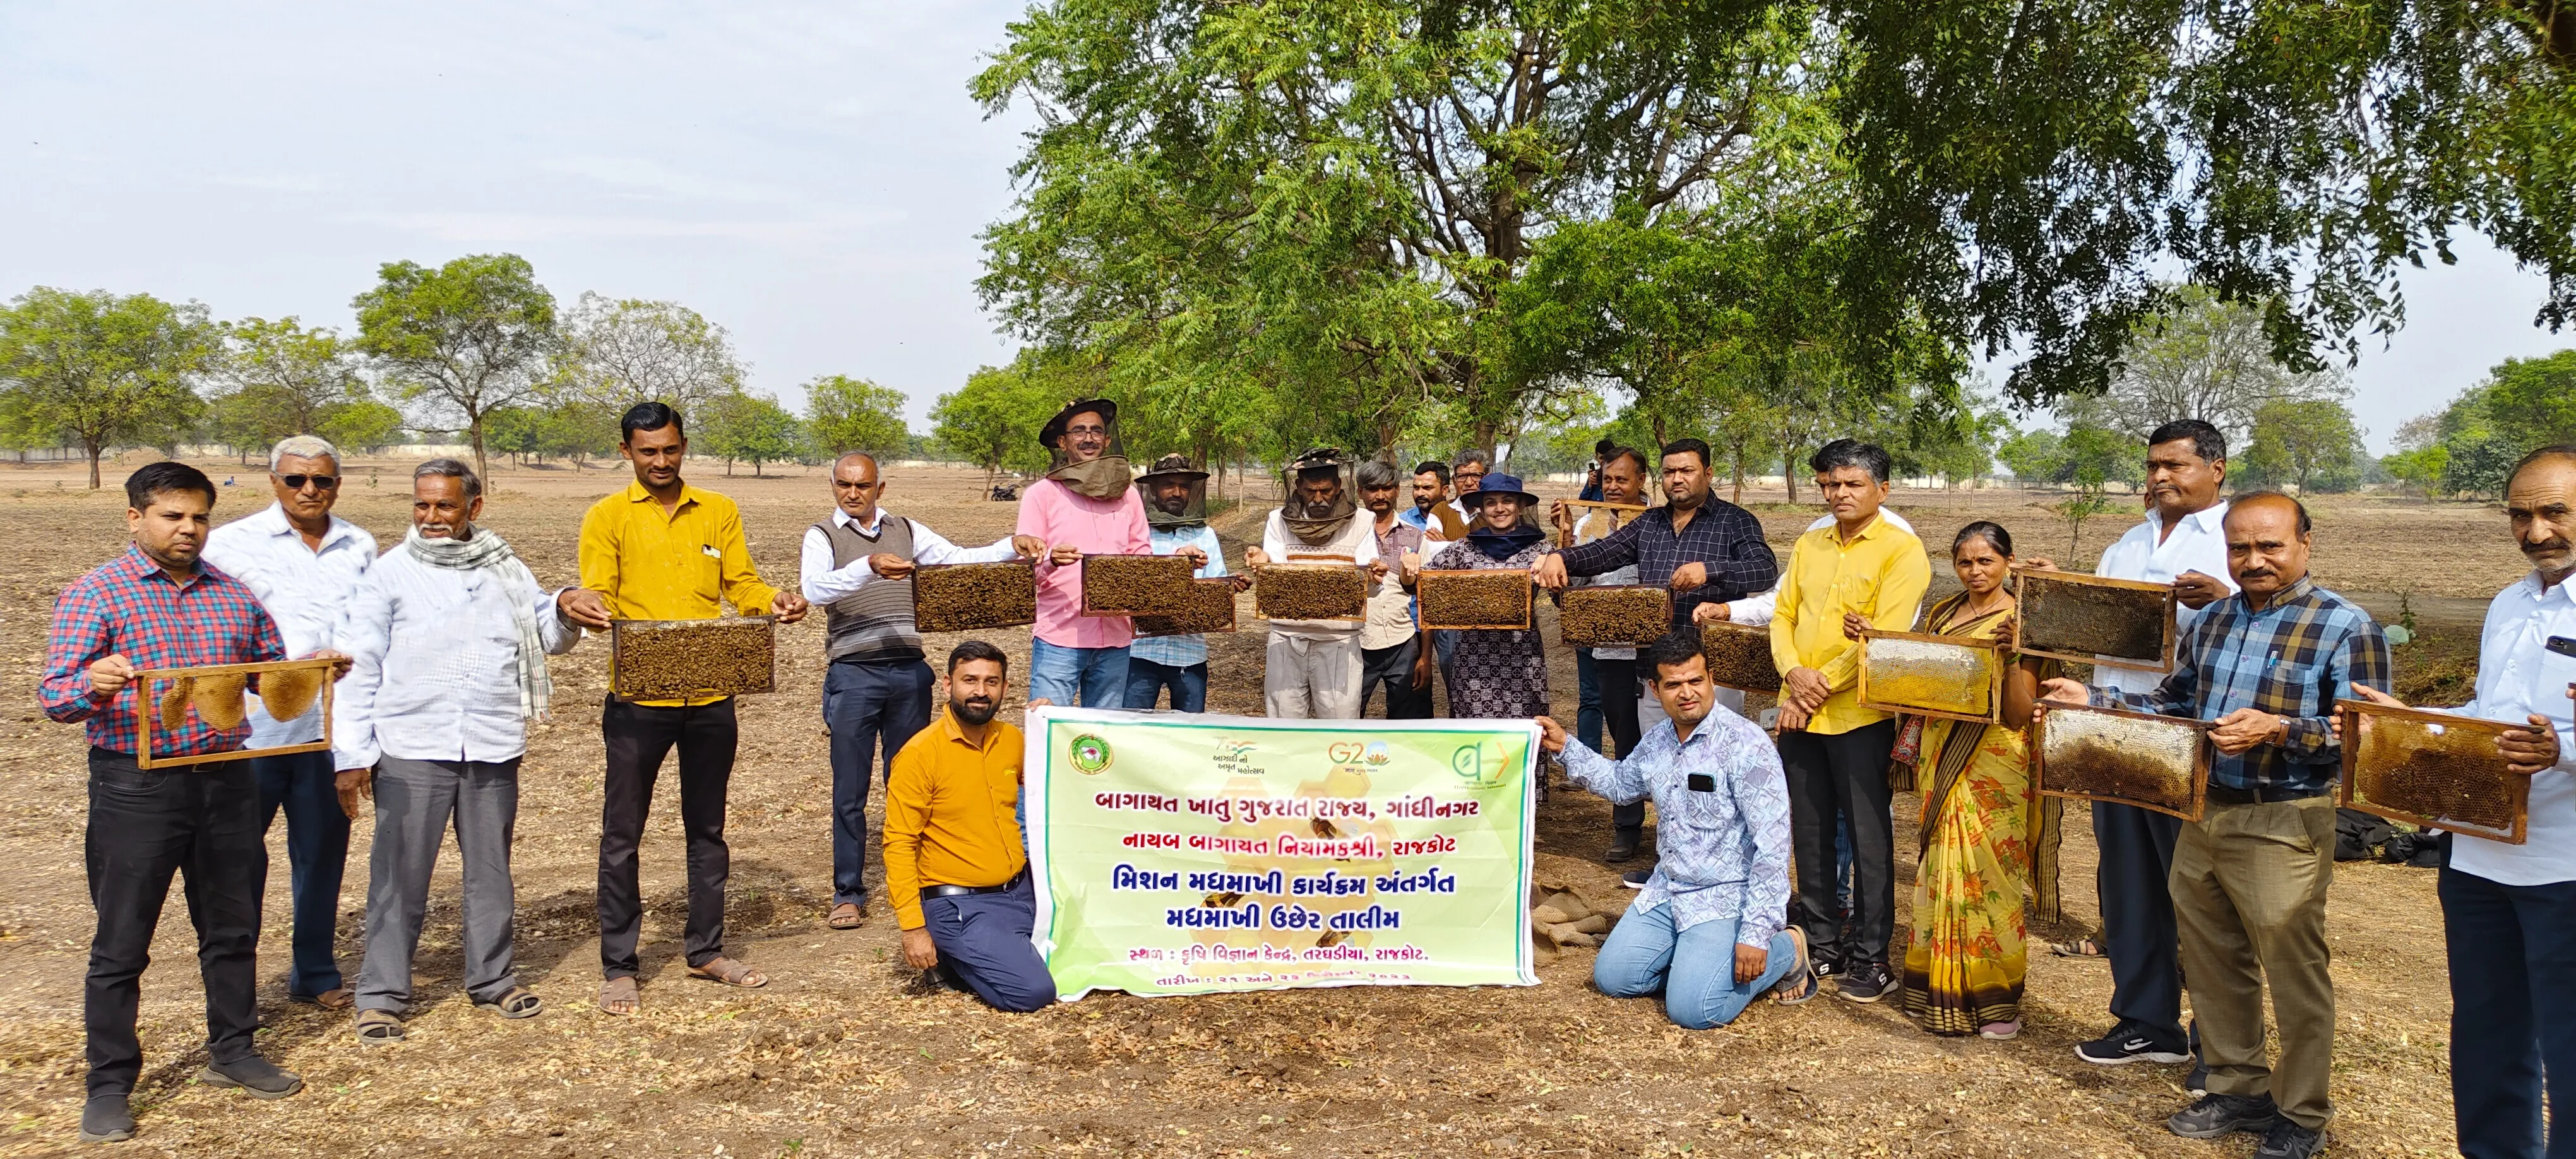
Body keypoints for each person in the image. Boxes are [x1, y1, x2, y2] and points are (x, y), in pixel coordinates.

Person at [2039, 491, 2390, 1159]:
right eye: (2240, 548)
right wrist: (2097, 699)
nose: (2253, 560)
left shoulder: (2345, 627)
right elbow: (2173, 704)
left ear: (2305, 545)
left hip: (2284, 817)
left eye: (2270, 546)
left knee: (2293, 970)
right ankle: (2237, 1088)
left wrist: (2281, 729)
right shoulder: (2215, 622)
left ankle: (2303, 1113)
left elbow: (2365, 739)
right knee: (2213, 959)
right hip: (2205, 811)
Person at [41, 463, 310, 1143]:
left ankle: (234, 1051)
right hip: (137, 786)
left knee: (232, 927)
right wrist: (94, 680)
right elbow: (56, 698)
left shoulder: (232, 596)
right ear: (136, 518)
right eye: (172, 516)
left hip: (225, 780)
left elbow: (266, 671)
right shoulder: (96, 594)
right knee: (122, 942)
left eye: (198, 517)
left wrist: (310, 674)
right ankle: (108, 1085)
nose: (188, 529)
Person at [2346, 444, 2573, 1159]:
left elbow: (2551, 737)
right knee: (2487, 1037)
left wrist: (2563, 751)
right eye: (2520, 514)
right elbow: (2487, 711)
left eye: (2555, 512)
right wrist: (2412, 723)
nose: (2536, 531)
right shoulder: (2508, 603)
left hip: (2565, 869)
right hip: (2477, 860)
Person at [557, 402, 811, 1015]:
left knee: (708, 828)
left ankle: (706, 950)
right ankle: (619, 967)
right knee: (623, 835)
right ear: (627, 452)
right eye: (648, 452)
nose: (662, 462)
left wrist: (770, 600)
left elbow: (741, 584)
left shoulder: (719, 511)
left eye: (671, 450)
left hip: (711, 693)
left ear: (684, 445)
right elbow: (602, 591)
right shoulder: (607, 516)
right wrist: (587, 603)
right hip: (639, 697)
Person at [331, 459, 583, 1043]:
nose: (431, 517)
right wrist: (353, 752)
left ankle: (493, 980)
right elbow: (360, 664)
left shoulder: (505, 567)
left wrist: (567, 609)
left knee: (490, 873)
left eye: (444, 506)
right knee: (399, 875)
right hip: (412, 743)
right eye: (421, 505)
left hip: (491, 742)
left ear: (474, 507)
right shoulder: (390, 573)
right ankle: (382, 996)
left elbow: (545, 633)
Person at [2048, 419, 2236, 1075]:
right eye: (2153, 466)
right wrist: (2057, 590)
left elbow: (2272, 625)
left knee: (2199, 892)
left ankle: (2219, 1042)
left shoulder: (2235, 541)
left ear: (2215, 468)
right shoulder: (2127, 543)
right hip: (2109, 725)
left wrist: (2224, 601)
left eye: (2175, 466)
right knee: (2127, 883)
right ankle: (2145, 1020)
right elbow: (2098, 621)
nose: (2159, 478)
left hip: (2190, 735)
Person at [799, 451, 1043, 930]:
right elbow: (814, 589)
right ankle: (848, 891)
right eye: (844, 486)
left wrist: (1009, 546)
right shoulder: (822, 535)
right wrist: (868, 565)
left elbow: (956, 558)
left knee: (911, 782)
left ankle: (917, 884)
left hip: (909, 671)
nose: (853, 494)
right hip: (854, 672)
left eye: (863, 486)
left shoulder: (907, 530)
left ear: (880, 489)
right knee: (849, 788)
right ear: (833, 487)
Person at [1537, 631, 1813, 1026]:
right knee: (1614, 978)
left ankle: (1788, 948)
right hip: (1669, 889)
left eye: (1695, 681)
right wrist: (1566, 746)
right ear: (1655, 688)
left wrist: (1755, 932)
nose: (1687, 693)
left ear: (1710, 679)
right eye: (1674, 684)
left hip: (1726, 894)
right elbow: (1620, 786)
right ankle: (1696, 963)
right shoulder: (1658, 742)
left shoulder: (1746, 744)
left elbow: (1772, 848)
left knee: (1695, 1011)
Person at [201, 434, 377, 1011]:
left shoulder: (359, 544)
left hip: (330, 730)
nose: (310, 490)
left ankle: (316, 971)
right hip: (251, 731)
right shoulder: (229, 545)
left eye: (322, 481)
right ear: (273, 482)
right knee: (238, 859)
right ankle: (238, 982)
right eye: (297, 480)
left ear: (338, 484)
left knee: (323, 852)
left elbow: (370, 631)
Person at [1767, 439, 1930, 1004]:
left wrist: (1812, 688)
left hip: (1861, 715)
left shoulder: (1902, 550)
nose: (1839, 494)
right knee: (1809, 833)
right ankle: (1821, 943)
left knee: (1868, 838)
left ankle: (1871, 955)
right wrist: (1792, 674)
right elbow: (1783, 614)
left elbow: (1883, 637)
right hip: (1802, 709)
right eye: (1831, 484)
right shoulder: (1810, 541)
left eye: (1853, 484)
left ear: (1882, 490)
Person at [1896, 521, 2058, 1039]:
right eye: (1965, 562)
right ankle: (1937, 990)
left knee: (1990, 878)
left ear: (2008, 563)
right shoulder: (1944, 613)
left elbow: (2018, 714)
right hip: (1940, 751)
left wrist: (2011, 656)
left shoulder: (2025, 620)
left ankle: (1995, 1003)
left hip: (1993, 762)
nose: (1975, 571)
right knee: (1942, 870)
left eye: (1986, 561)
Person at [885, 640, 1056, 1012]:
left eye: (992, 682)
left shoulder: (1011, 739)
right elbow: (899, 843)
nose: (981, 692)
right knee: (1033, 992)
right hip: (962, 904)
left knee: (1081, 962)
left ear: (1005, 688)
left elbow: (1055, 784)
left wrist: (1053, 729)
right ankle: (952, 957)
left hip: (1022, 889)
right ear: (948, 685)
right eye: (970, 680)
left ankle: (986, 953)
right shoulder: (919, 755)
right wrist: (913, 928)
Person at [1015, 399, 1161, 708]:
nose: (1089, 438)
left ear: (1108, 441)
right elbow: (1026, 566)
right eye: (1079, 431)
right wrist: (1052, 560)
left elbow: (1141, 555)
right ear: (1062, 442)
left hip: (1117, 637)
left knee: (1103, 736)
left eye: (1096, 431)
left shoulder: (1129, 495)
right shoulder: (1041, 494)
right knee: (1049, 728)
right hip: (1060, 636)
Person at [1550, 446, 1654, 861]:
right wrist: (1562, 587)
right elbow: (1573, 596)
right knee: (1625, 738)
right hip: (1610, 652)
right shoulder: (1589, 524)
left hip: (1656, 653)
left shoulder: (1660, 523)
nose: (1613, 487)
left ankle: (1676, 827)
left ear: (1642, 481)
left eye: (1622, 480)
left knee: (1667, 740)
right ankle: (1627, 827)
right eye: (1608, 479)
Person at [1249, 448, 1384, 718]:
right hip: (1287, 640)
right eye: (1311, 491)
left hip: (1339, 642)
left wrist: (1373, 576)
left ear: (1338, 486)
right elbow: (1274, 575)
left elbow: (1369, 584)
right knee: (1284, 726)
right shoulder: (1278, 520)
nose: (1319, 498)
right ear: (1298, 487)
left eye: (1325, 490)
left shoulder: (1363, 521)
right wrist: (1262, 561)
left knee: (1339, 728)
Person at [1417, 473, 1551, 718]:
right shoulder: (1463, 548)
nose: (1499, 509)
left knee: (1522, 736)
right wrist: (1409, 567)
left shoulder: (1542, 549)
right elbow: (1423, 584)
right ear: (1481, 508)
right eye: (1491, 503)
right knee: (1475, 737)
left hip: (1523, 658)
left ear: (1520, 506)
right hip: (1473, 659)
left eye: (1507, 501)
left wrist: (1558, 564)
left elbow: (1562, 596)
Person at [1126, 454, 1245, 712]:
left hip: (1190, 652)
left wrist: (1229, 585)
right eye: (1169, 485)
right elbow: (1130, 583)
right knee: (1132, 726)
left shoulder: (1206, 534)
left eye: (1184, 486)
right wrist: (1177, 563)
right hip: (1140, 651)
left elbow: (1214, 584)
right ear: (1154, 490)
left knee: (1189, 731)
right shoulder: (1137, 532)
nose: (1177, 492)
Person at [1356, 460, 1432, 719]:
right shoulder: (1349, 536)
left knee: (1407, 722)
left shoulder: (1415, 536)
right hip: (1356, 644)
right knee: (1348, 717)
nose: (1380, 496)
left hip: (1403, 643)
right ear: (1360, 492)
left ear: (1397, 490)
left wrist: (1425, 658)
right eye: (1372, 489)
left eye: (1386, 488)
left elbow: (1426, 600)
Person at [1403, 460, 1465, 541]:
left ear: (1445, 490)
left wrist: (1446, 546)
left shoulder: (1462, 519)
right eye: (1416, 488)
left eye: (1427, 488)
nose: (1420, 493)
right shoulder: (1402, 522)